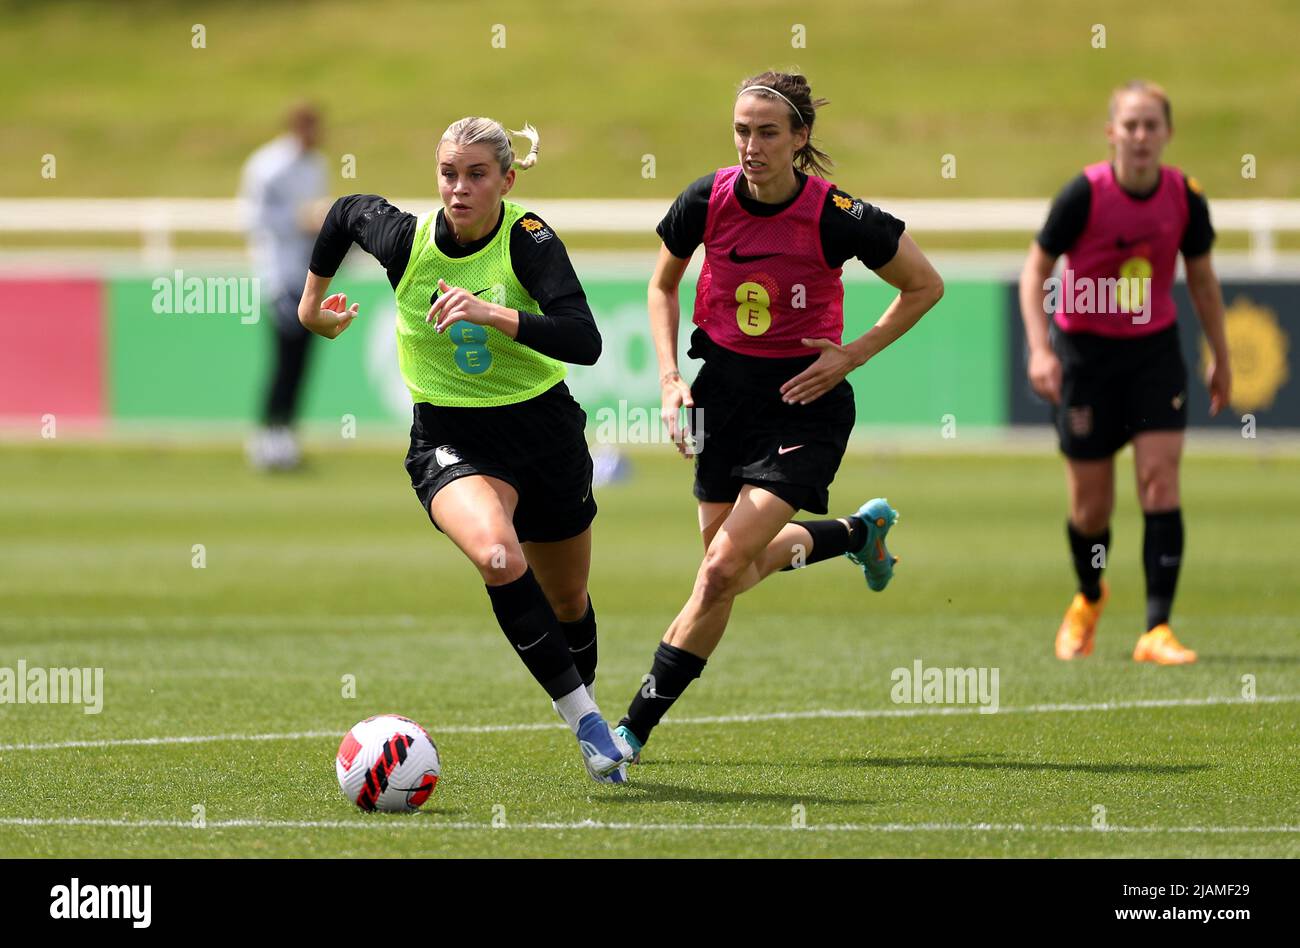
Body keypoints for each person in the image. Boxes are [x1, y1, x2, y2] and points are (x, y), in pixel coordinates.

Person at [614, 71, 945, 762]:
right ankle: (858, 533)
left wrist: (852, 355)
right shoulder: (707, 198)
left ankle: (631, 731)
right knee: (730, 566)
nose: (751, 145)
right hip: (720, 399)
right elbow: (661, 284)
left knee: (718, 573)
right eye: (742, 129)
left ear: (800, 138)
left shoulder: (837, 214)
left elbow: (924, 285)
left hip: (804, 405)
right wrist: (672, 379)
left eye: (767, 132)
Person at [297, 117, 635, 782]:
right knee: (498, 553)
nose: (459, 187)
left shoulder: (529, 240)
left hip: (546, 433)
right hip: (450, 437)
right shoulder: (407, 240)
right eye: (449, 173)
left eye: (477, 174)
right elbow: (342, 213)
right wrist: (312, 307)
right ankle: (589, 725)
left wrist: (493, 313)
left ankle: (587, 703)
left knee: (568, 601)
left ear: (507, 181)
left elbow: (585, 339)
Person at [1018, 80, 1231, 665]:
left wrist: (1221, 355)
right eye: (1130, 126)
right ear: (1112, 132)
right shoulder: (1082, 195)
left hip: (1154, 355)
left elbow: (1205, 283)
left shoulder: (1185, 197)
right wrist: (1040, 350)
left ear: (1167, 133)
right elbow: (1035, 270)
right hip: (1086, 358)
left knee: (1160, 483)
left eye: (1151, 126)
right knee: (1091, 509)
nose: (1140, 137)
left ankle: (1156, 629)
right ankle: (1089, 596)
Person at [241, 103, 331, 470]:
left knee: (301, 362)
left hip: (309, 276)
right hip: (280, 276)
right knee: (284, 358)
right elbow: (253, 220)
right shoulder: (268, 166)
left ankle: (286, 435)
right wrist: (300, 221)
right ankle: (266, 437)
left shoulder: (316, 165)